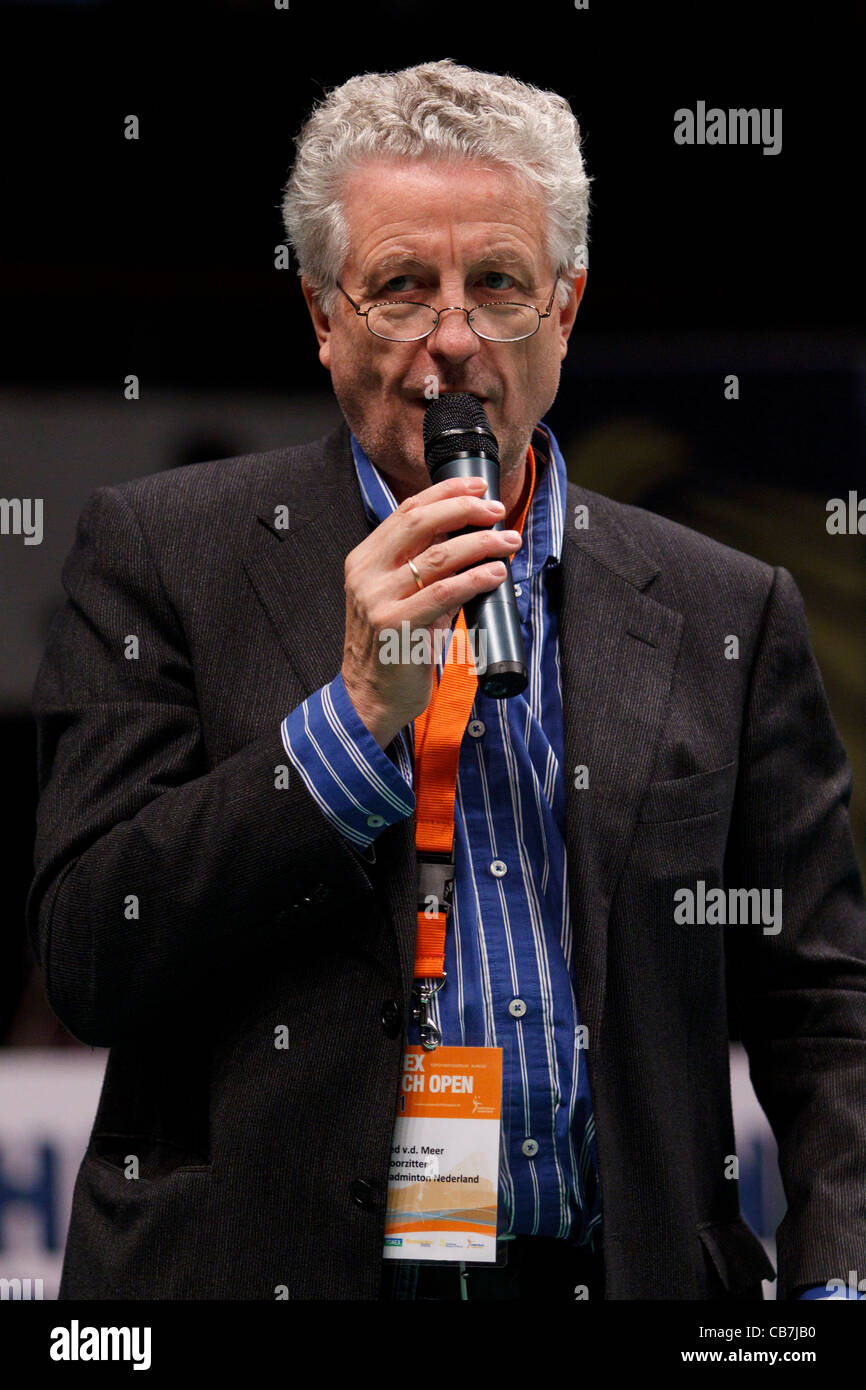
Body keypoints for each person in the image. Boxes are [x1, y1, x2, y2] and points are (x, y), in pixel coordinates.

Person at [27, 59, 866, 1302]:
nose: (454, 340)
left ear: (566, 310)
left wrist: (834, 1285)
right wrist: (354, 722)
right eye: (401, 288)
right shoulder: (164, 554)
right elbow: (95, 952)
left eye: (499, 287)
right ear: (322, 315)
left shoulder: (723, 607)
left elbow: (820, 1007)